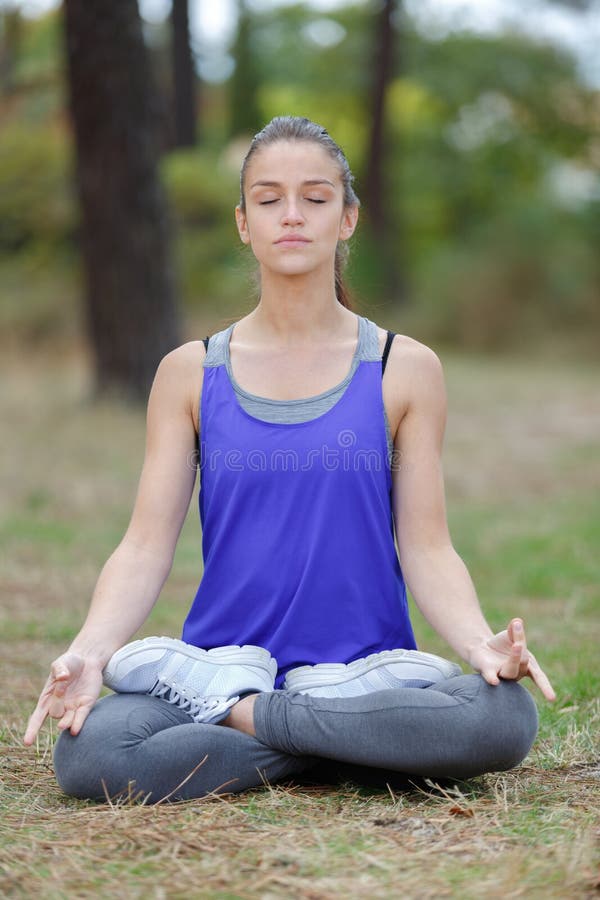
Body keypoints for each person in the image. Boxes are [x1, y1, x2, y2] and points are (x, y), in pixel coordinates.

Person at [24, 116, 555, 804]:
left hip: (366, 680)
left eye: (316, 197)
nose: (293, 216)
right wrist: (90, 652)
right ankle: (345, 750)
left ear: (349, 218)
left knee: (505, 719)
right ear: (244, 223)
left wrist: (479, 643)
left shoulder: (404, 368)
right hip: (218, 670)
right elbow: (144, 545)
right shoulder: (191, 373)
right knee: (88, 753)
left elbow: (427, 547)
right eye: (269, 200)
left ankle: (264, 728)